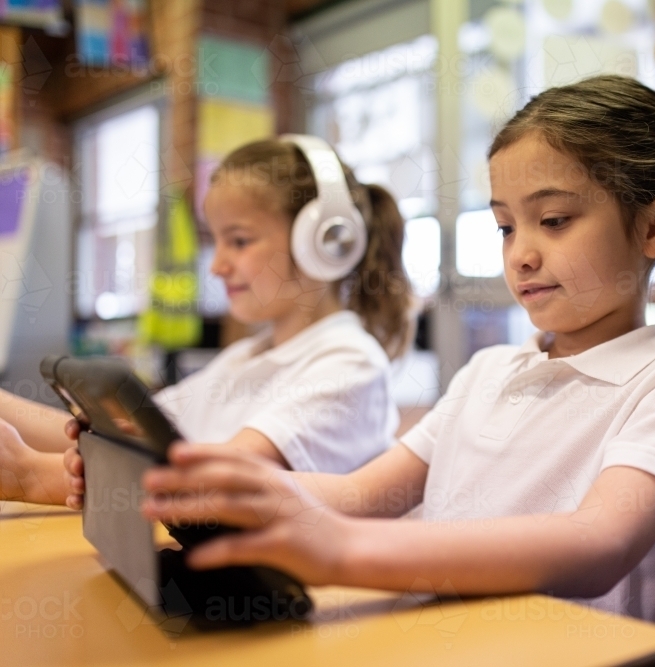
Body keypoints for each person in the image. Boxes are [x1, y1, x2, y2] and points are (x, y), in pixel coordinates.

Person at [97, 76, 655, 627]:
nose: (523, 253)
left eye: (555, 220)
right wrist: (214, 488)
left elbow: (597, 544)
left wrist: (343, 552)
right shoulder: (490, 371)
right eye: (506, 227)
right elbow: (358, 495)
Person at [0, 136, 412, 507]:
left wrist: (31, 474)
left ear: (326, 242)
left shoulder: (350, 365)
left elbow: (216, 485)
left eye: (239, 241)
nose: (216, 266)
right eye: (217, 241)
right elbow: (131, 436)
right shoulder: (245, 357)